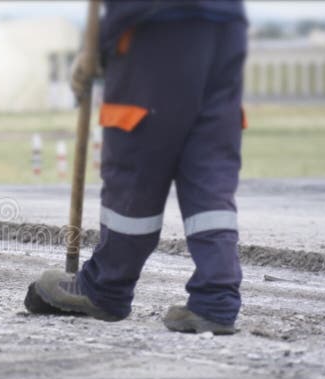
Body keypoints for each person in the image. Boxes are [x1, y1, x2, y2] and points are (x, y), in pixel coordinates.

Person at [25, 0, 248, 334]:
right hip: (225, 26)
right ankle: (216, 298)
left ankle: (105, 286)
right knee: (209, 167)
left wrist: (94, 47)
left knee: (137, 159)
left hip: (154, 23)